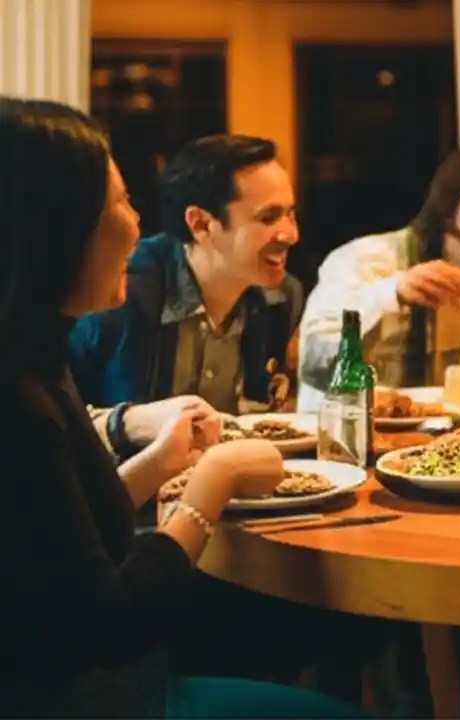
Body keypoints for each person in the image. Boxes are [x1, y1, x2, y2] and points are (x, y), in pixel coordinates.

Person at [0, 97, 361, 717]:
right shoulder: (25, 393)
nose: (138, 226)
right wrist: (211, 479)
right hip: (104, 699)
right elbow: (105, 625)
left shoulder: (36, 357)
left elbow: (66, 532)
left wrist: (163, 463)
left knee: (340, 626)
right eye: (120, 202)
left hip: (129, 670)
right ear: (56, 226)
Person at [67, 134, 304, 441]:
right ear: (201, 224)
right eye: (268, 218)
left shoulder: (282, 299)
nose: (291, 234)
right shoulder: (120, 290)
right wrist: (132, 423)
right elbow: (48, 421)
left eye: (291, 214)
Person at [298, 139, 460, 407]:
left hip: (436, 442)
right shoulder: (365, 259)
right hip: (346, 438)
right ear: (450, 201)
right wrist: (392, 292)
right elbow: (314, 362)